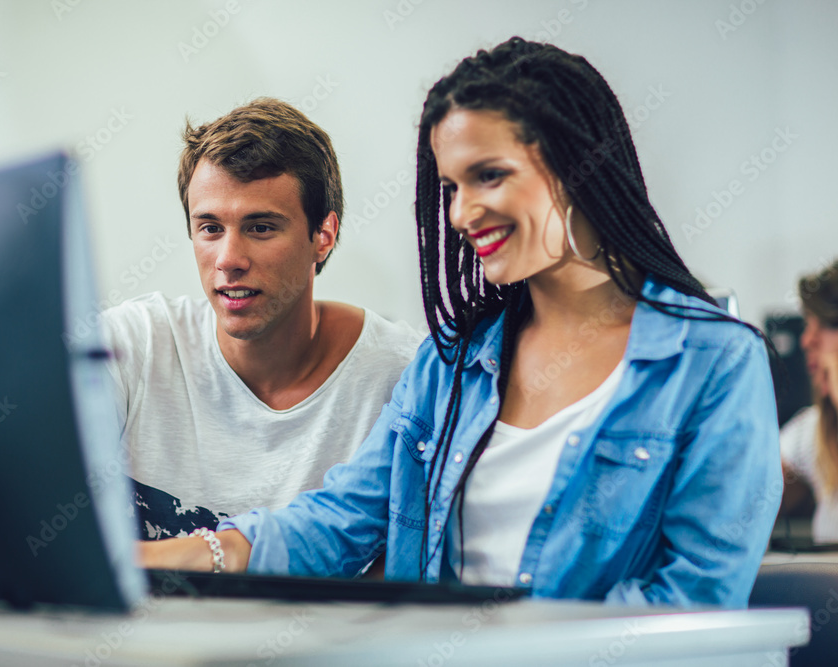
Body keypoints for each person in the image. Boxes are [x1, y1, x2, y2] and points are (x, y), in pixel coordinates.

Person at [139, 38, 780, 608]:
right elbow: (337, 523)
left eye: (489, 177)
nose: (461, 213)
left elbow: (694, 599)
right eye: (450, 187)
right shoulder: (453, 363)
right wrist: (168, 559)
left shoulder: (714, 363)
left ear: (579, 165)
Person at [103, 98, 424, 539]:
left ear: (323, 236)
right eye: (210, 228)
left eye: (261, 228)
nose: (229, 259)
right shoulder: (135, 342)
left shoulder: (405, 377)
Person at [779, 259, 838, 542]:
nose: (807, 340)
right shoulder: (811, 431)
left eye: (826, 324)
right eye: (807, 324)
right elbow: (746, 497)